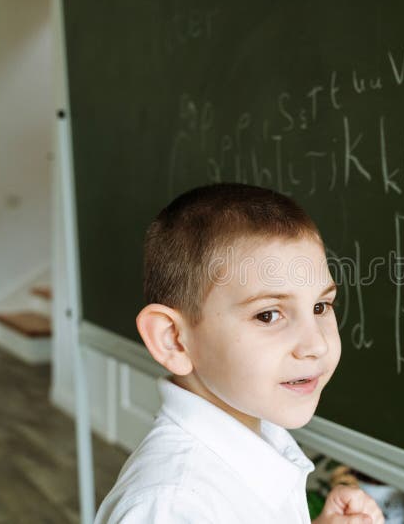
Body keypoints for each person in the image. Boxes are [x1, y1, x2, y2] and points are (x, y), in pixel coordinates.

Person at [94, 183, 384, 524]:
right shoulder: (175, 506)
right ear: (173, 339)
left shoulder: (255, 440)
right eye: (268, 314)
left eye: (321, 306)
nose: (316, 345)